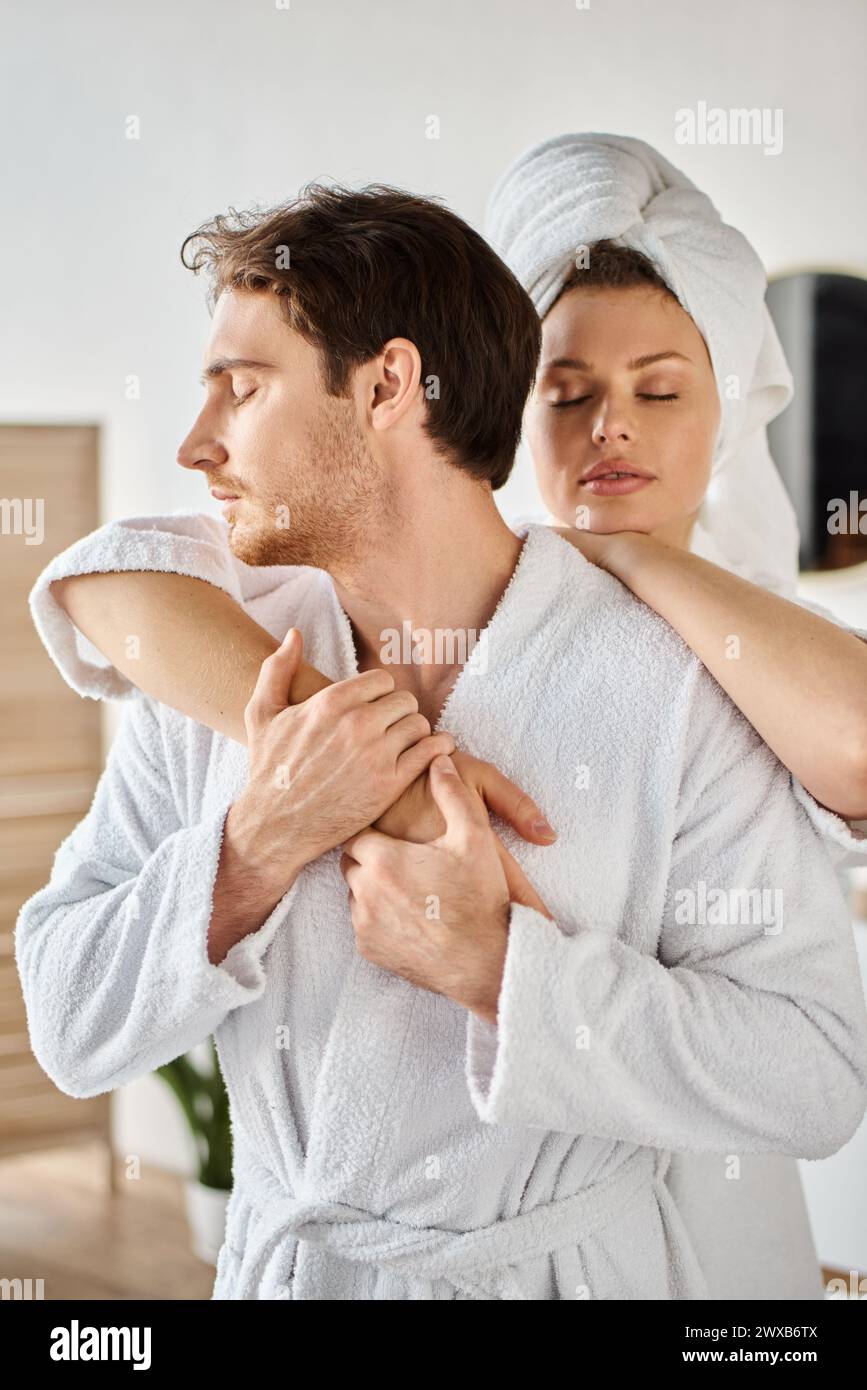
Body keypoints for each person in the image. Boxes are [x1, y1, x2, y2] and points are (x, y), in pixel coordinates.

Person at [17, 181, 867, 1301]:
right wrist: (251, 851)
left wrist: (507, 972)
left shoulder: (675, 688)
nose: (195, 442)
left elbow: (815, 1071)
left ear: (388, 385)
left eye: (242, 387)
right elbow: (69, 1025)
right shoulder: (229, 665)